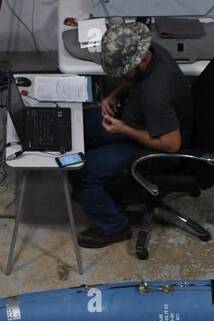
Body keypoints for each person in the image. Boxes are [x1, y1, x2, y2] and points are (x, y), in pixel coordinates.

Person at [72, 19, 193, 248]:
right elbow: (132, 77)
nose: (122, 73)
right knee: (76, 127)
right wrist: (114, 95)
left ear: (140, 60)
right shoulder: (151, 50)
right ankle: (94, 194)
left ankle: (114, 227)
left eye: (124, 68)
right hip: (138, 121)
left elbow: (171, 144)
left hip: (157, 146)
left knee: (84, 168)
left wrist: (124, 129)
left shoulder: (155, 94)